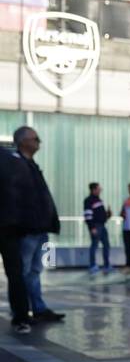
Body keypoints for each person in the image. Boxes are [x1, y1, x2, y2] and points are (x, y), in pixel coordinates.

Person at [5, 127, 64, 325]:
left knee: (34, 270)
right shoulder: (15, 165)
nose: (39, 142)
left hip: (39, 228)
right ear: (23, 142)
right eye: (35, 139)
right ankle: (21, 312)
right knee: (22, 271)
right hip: (27, 229)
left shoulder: (30, 165)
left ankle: (37, 308)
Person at [83, 182, 112, 274]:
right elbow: (88, 215)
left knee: (106, 245)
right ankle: (92, 265)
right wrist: (92, 227)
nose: (100, 190)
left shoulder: (98, 200)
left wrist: (107, 215)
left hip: (102, 226)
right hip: (96, 226)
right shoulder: (89, 200)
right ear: (93, 190)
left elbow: (100, 215)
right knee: (94, 245)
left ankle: (107, 265)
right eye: (99, 189)